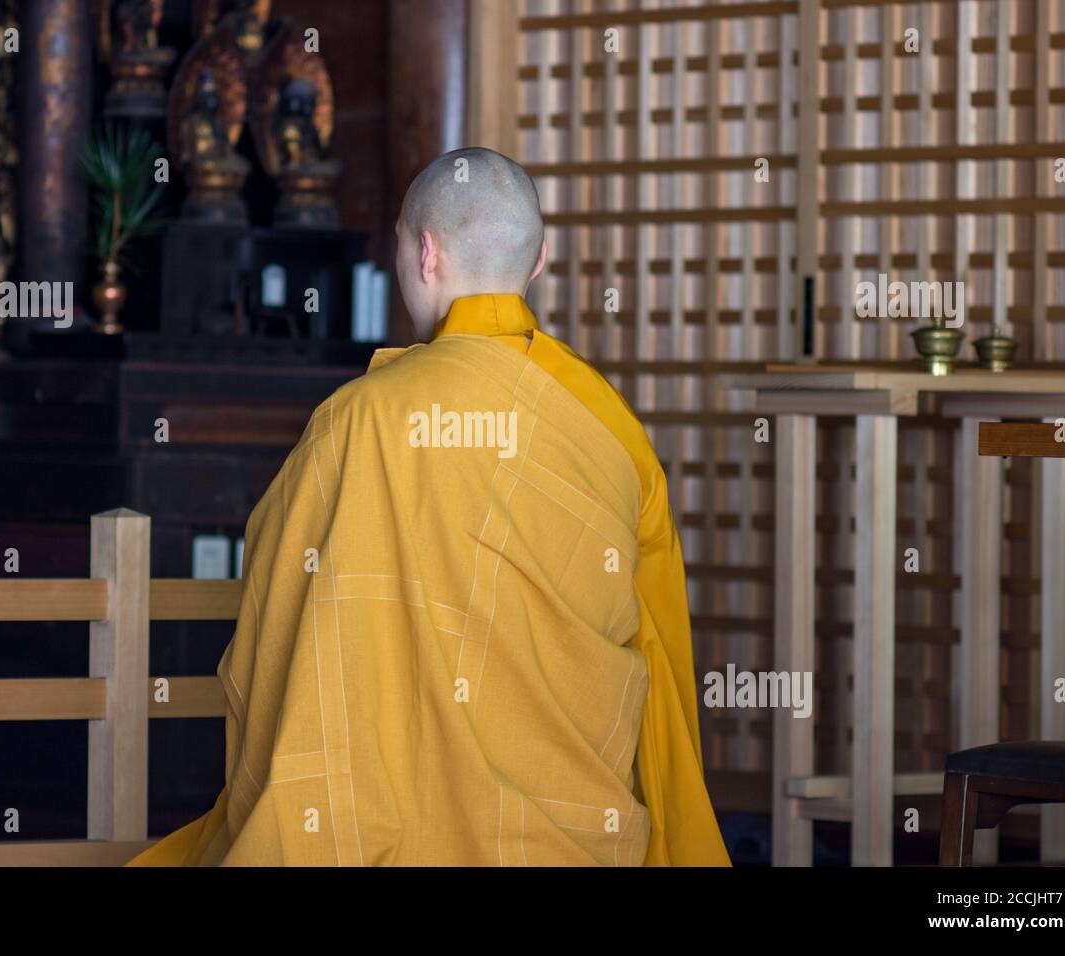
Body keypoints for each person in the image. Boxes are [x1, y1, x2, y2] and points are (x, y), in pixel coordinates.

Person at [129, 147, 730, 866]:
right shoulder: (612, 431)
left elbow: (274, 605)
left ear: (424, 253)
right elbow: (657, 658)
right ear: (539, 261)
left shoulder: (360, 419)